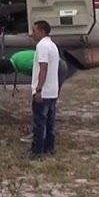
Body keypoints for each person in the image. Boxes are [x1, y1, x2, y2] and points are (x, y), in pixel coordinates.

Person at [29, 20, 60, 158]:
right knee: (50, 122)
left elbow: (43, 68)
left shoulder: (42, 46)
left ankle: (37, 151)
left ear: (42, 31)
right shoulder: (53, 45)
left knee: (40, 122)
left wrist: (39, 89)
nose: (32, 34)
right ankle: (50, 147)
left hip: (44, 91)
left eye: (34, 30)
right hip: (53, 90)